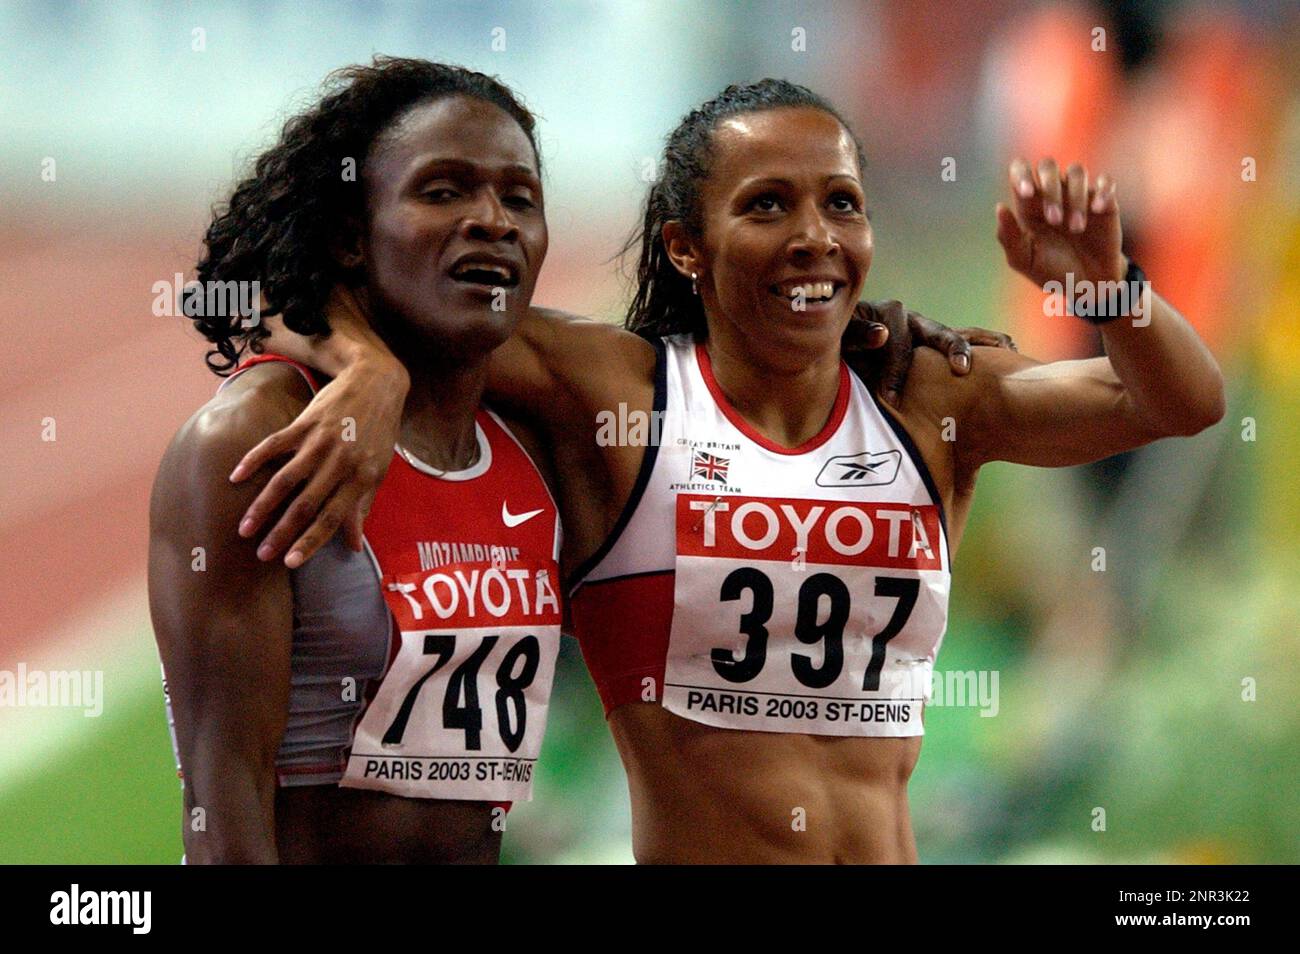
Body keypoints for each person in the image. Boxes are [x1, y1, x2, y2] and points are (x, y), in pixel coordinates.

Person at [236, 80, 1184, 864]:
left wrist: (1105, 284)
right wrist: (370, 366)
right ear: (686, 246)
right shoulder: (616, 393)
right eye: (768, 204)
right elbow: (275, 276)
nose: (814, 234)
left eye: (841, 202)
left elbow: (1178, 402)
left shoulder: (926, 396)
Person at [148, 58, 566, 863]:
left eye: (520, 198)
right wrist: (371, 366)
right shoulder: (255, 438)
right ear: (348, 235)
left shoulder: (541, 436)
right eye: (443, 190)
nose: (493, 220)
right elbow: (222, 803)